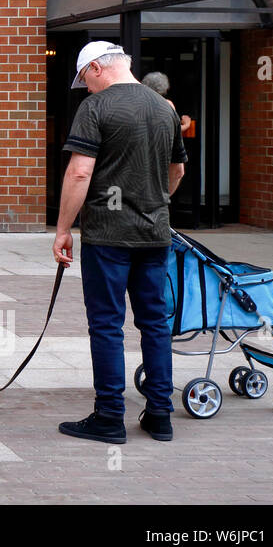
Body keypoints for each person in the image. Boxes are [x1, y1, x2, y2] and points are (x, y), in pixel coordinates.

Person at [54, 42, 187, 444]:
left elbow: (80, 173)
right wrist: (154, 203)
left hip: (108, 236)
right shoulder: (165, 109)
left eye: (85, 81)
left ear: (96, 68)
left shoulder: (96, 109)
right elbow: (177, 170)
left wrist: (63, 228)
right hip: (154, 234)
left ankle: (110, 416)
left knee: (108, 325)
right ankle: (160, 415)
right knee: (155, 324)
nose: (86, 90)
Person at [140, 71, 194, 136]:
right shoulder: (167, 104)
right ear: (165, 88)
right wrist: (187, 124)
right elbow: (173, 129)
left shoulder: (138, 103)